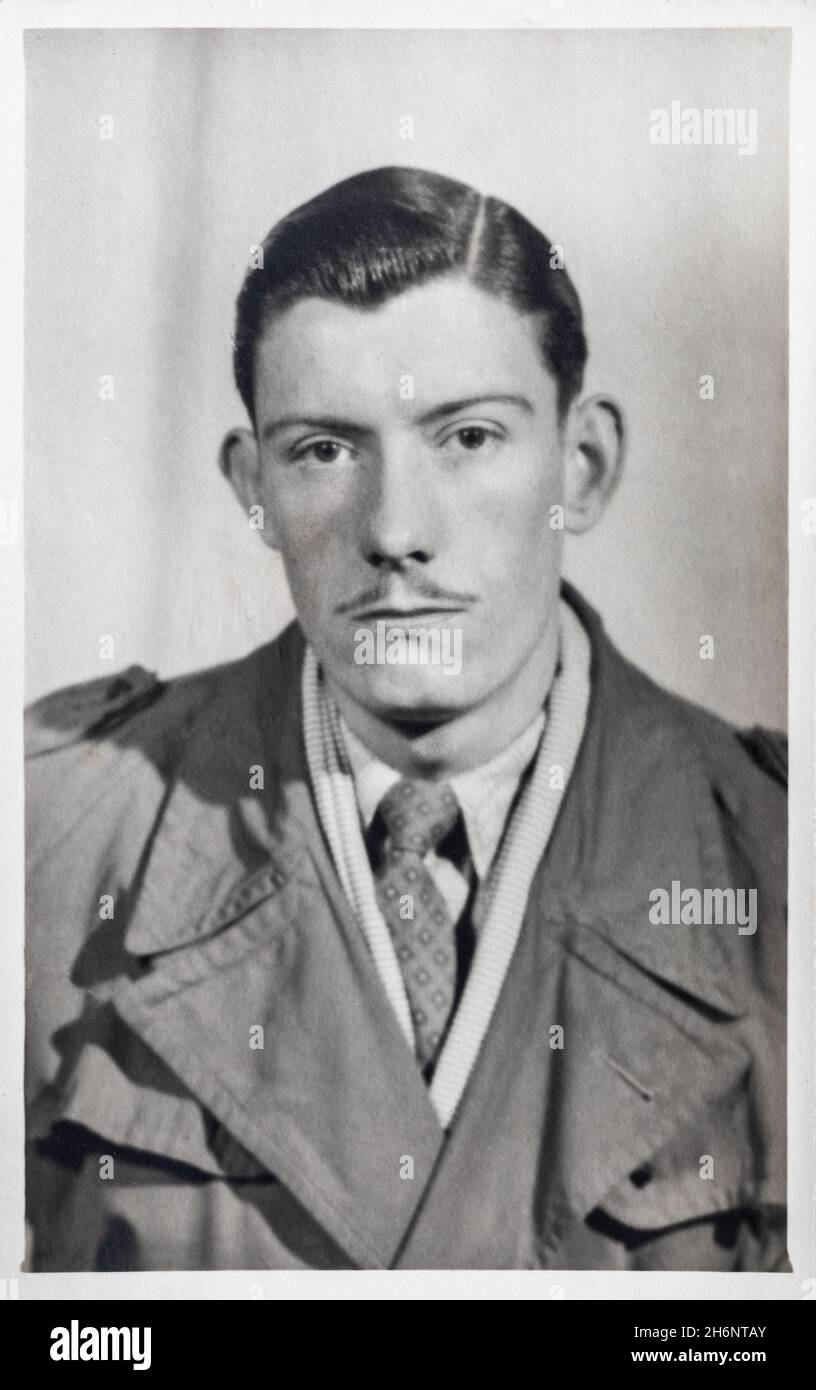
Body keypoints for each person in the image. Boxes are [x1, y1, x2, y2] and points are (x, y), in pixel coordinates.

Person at [24, 166, 788, 1272]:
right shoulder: (45, 847)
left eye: (468, 437)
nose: (395, 529)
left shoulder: (781, 873)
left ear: (585, 463)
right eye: (323, 450)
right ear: (251, 487)